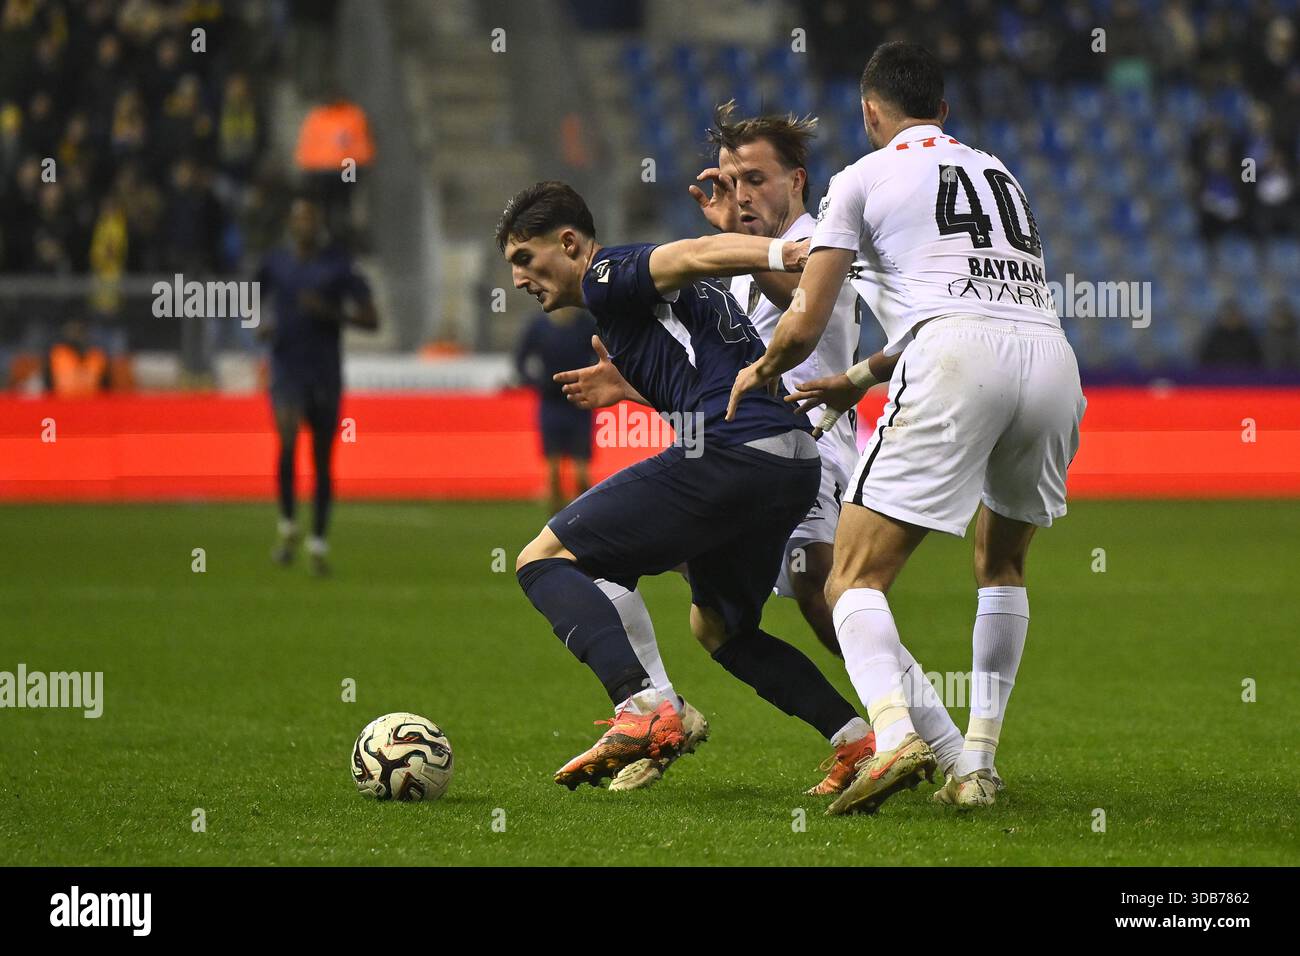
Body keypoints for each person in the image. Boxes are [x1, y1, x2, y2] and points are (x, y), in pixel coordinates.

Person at [729, 41, 1086, 814]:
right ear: (944, 111)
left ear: (869, 112)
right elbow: (978, 301)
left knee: (851, 577)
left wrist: (761, 370)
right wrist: (855, 379)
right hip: (1053, 362)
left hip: (956, 361)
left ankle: (895, 737)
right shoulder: (1001, 174)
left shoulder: (859, 177)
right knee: (1001, 566)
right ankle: (978, 766)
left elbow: (806, 315)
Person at [501, 180, 873, 792]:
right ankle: (857, 740)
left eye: (524, 258)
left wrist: (786, 254)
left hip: (735, 455)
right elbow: (705, 379)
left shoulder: (606, 272)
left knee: (544, 559)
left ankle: (643, 709)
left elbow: (692, 254)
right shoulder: (637, 313)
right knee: (719, 628)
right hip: (791, 460)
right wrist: (631, 388)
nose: (518, 279)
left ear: (568, 243)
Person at [258, 197, 377, 576]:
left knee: (323, 460)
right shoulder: (275, 262)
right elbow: (249, 300)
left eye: (310, 217)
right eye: (298, 217)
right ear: (290, 224)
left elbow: (371, 319)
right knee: (288, 438)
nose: (304, 223)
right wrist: (260, 324)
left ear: (319, 222)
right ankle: (288, 522)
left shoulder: (338, 265)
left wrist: (330, 313)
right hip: (286, 368)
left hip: (324, 373)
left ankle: (318, 542)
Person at [514, 306, 596, 513]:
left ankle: (584, 516)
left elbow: (603, 353)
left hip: (579, 402)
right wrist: (534, 381)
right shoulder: (539, 326)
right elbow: (520, 359)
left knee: (582, 474)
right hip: (551, 402)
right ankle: (556, 524)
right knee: (552, 472)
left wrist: (592, 379)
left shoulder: (586, 324)